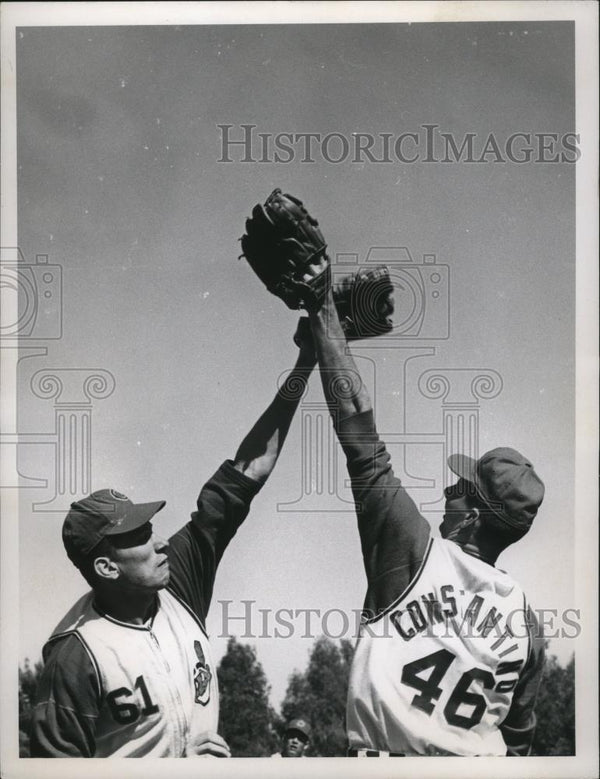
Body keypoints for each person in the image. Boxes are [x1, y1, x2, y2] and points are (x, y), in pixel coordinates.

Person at [297, 254, 546, 757]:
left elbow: (360, 435)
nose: (450, 492)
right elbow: (518, 742)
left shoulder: (416, 552)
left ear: (473, 518)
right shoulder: (528, 625)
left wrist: (321, 299)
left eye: (462, 490)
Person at [29, 342, 316, 758]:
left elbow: (247, 471)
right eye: (140, 535)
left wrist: (306, 360)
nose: (161, 541)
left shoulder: (174, 581)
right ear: (107, 567)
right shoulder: (75, 656)